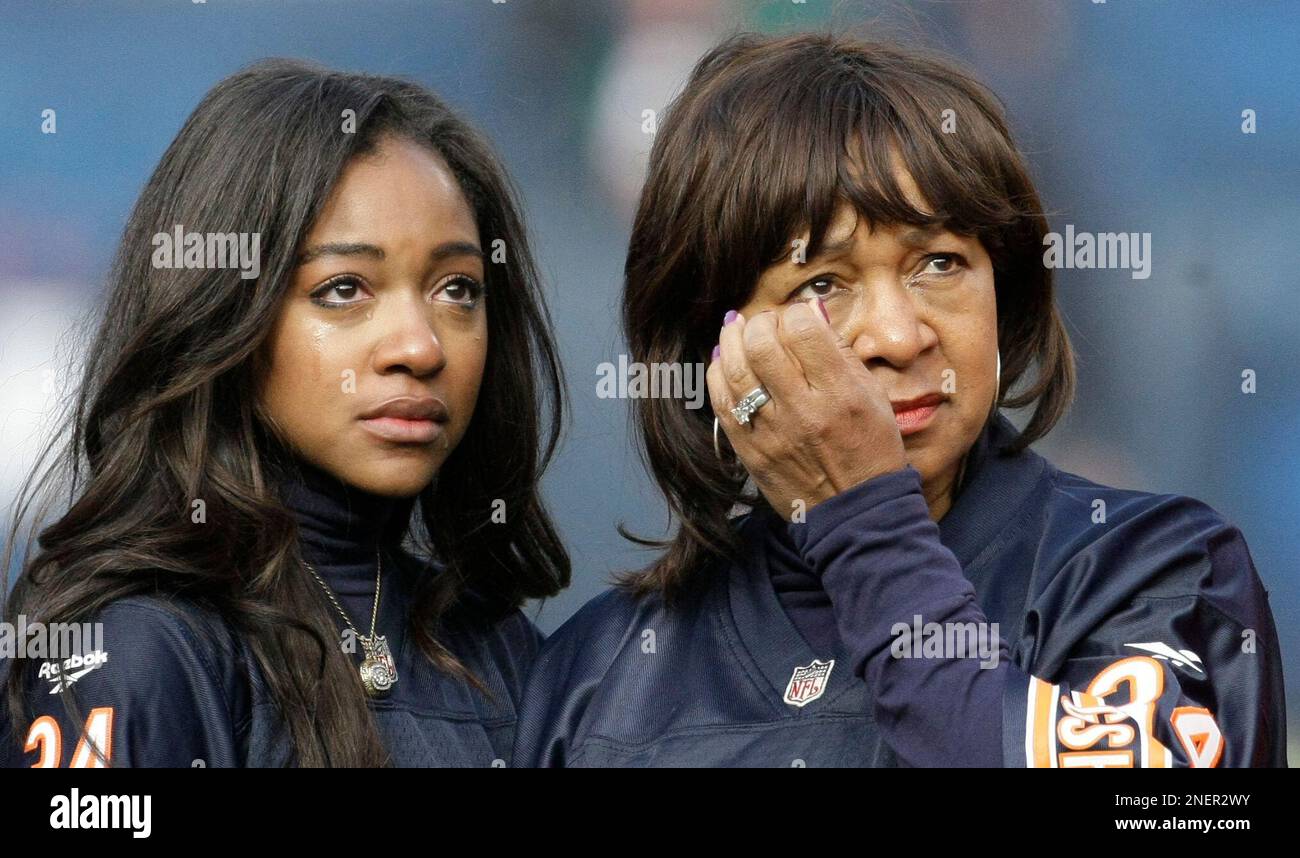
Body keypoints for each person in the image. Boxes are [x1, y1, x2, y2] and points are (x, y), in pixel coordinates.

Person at [514, 32, 1286, 767]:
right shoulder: (598, 676)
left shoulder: (1159, 575)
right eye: (822, 284)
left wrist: (865, 528)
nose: (898, 334)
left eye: (941, 264)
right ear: (716, 348)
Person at [2, 59, 568, 767]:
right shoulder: (140, 649)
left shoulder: (507, 653)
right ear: (224, 317)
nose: (420, 347)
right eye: (343, 289)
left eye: (457, 289)